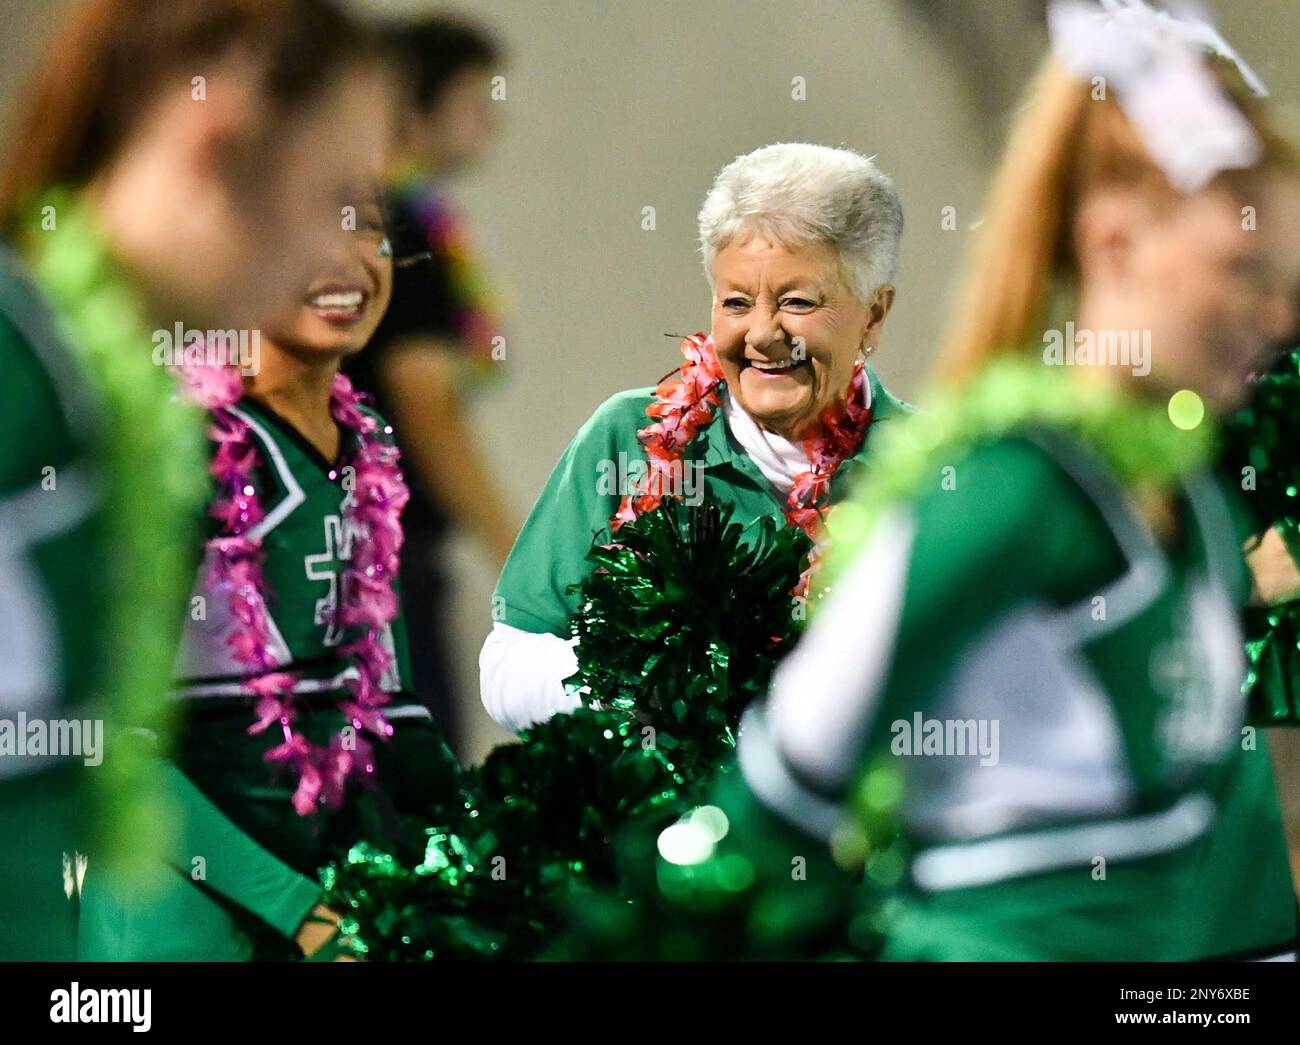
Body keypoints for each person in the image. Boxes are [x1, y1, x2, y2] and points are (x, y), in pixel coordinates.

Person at [648, 1, 1300, 961]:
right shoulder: (1010, 491)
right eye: (1245, 268)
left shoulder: (1194, 502)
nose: (1278, 314)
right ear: (1116, 242)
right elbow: (778, 790)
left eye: (1289, 280)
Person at [0, 0, 396, 961]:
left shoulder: (98, 399)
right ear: (217, 128)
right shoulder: (25, 383)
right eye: (330, 193)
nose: (333, 258)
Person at [480, 142, 909, 733]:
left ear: (874, 316)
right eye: (736, 302)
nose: (762, 335)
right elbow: (511, 655)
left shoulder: (929, 469)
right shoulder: (627, 440)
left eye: (798, 302)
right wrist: (643, 697)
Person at [347, 16, 514, 753]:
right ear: (412, 111)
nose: (492, 125)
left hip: (361, 549)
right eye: (476, 104)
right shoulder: (399, 234)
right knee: (421, 780)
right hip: (384, 558)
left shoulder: (404, 224)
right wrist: (514, 547)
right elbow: (423, 399)